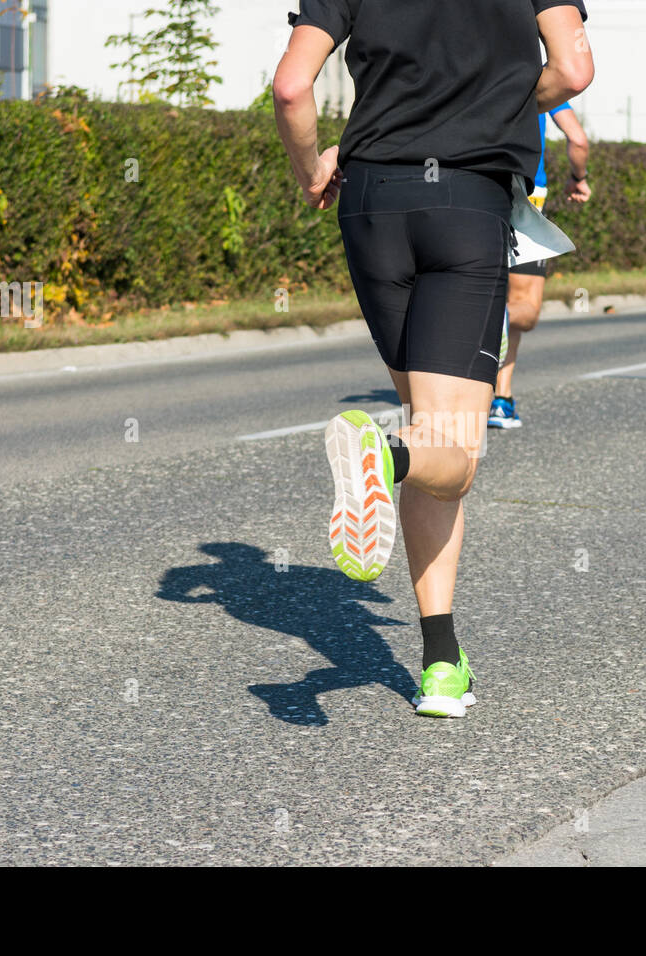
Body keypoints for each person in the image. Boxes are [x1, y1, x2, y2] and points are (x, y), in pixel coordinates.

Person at [273, 0, 593, 716]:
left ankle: (442, 659)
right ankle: (382, 462)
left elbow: (292, 86)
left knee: (430, 423)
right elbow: (574, 69)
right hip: (465, 201)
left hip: (371, 203)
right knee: (449, 450)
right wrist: (501, 104)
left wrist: (310, 170)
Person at [488, 104, 591, 430]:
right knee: (525, 309)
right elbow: (577, 139)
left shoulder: (465, 60)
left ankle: (485, 323)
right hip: (528, 199)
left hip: (470, 189)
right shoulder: (537, 71)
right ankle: (501, 401)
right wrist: (579, 178)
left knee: (479, 288)